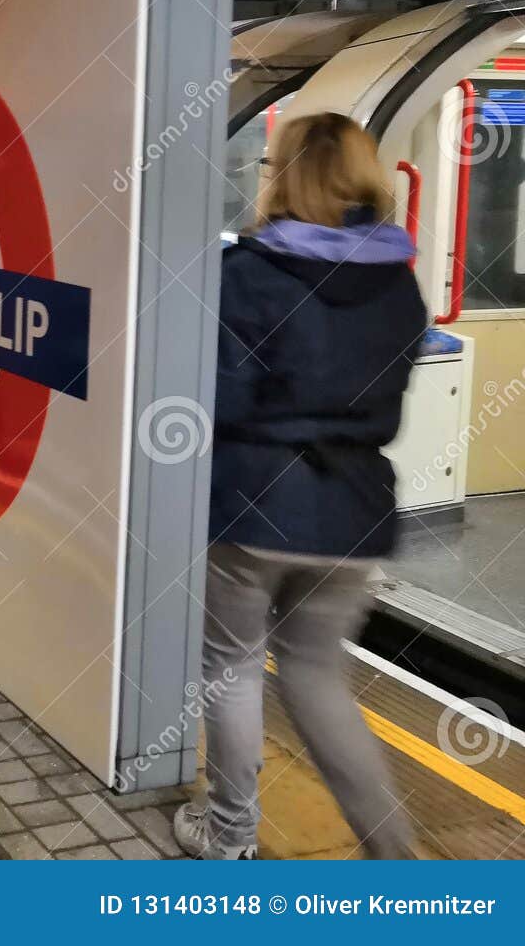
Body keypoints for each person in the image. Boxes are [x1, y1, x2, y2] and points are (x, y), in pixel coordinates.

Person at [176, 112, 426, 861]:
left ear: (284, 176)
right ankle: (396, 853)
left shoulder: (247, 273)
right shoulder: (400, 285)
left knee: (232, 667)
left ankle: (228, 838)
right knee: (318, 679)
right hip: (355, 514)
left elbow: (222, 397)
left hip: (254, 506)